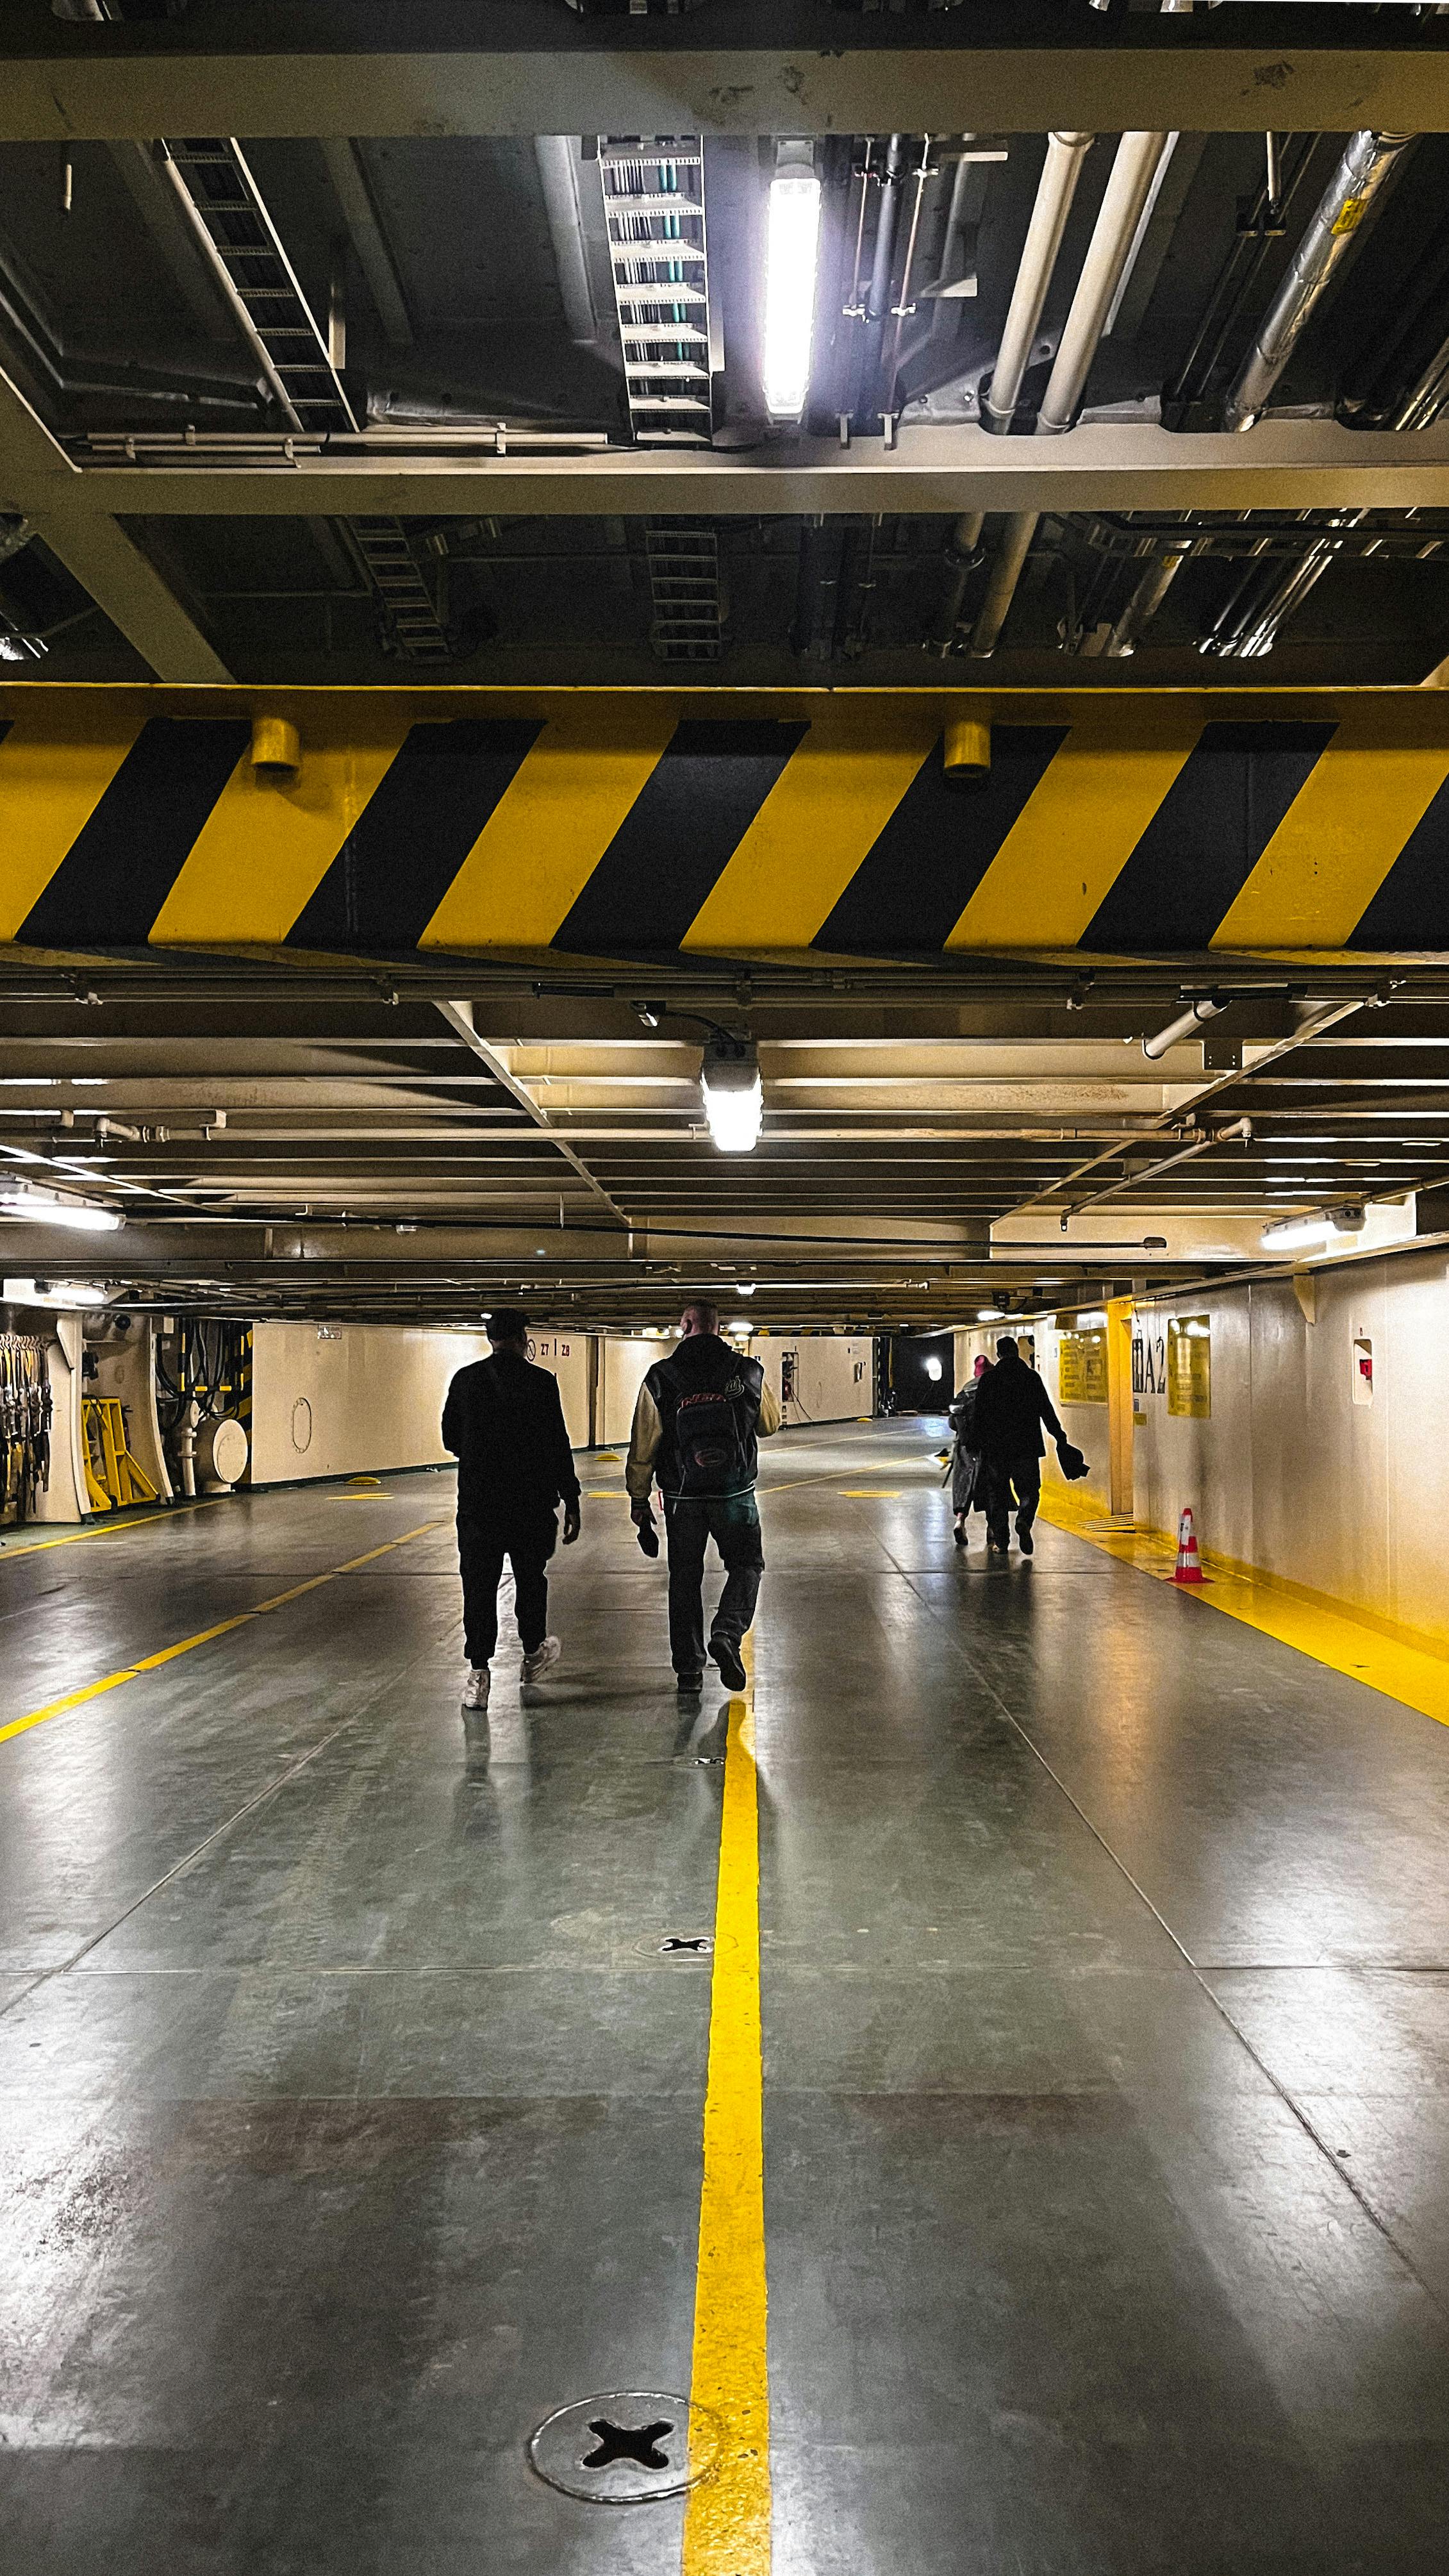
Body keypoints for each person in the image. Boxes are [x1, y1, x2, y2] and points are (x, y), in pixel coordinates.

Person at [626, 1299, 781, 1693]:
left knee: (684, 1580)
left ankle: (689, 1672)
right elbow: (769, 1425)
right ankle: (727, 1632)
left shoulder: (660, 1376)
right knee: (747, 1565)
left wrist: (639, 1498)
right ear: (718, 1326)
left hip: (683, 1499)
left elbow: (644, 1444)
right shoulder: (747, 1370)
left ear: (685, 1325)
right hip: (735, 1495)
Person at [442, 1308, 581, 1712]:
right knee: (531, 1580)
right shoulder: (542, 1382)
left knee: (478, 1587)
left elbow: (450, 1439)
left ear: (490, 1339)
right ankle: (533, 1653)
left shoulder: (465, 1380)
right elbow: (558, 1444)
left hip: (479, 1506)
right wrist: (571, 1499)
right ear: (523, 1339)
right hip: (530, 1506)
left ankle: (478, 1676)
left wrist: (482, 1452)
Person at [972, 1334, 1069, 1559]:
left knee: (997, 1494)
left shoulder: (989, 1380)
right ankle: (1024, 1520)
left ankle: (1002, 1541)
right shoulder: (1031, 1377)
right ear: (1016, 1352)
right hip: (1026, 1448)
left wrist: (976, 1444)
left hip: (996, 1450)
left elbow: (979, 1416)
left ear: (998, 1355)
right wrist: (1059, 1435)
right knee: (1029, 1491)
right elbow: (1046, 1410)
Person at [947, 1353, 991, 1547]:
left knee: (963, 1484)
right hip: (988, 1447)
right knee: (991, 1487)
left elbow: (952, 1423)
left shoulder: (965, 1390)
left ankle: (960, 1521)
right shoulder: (994, 1389)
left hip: (965, 1447)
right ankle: (992, 1529)